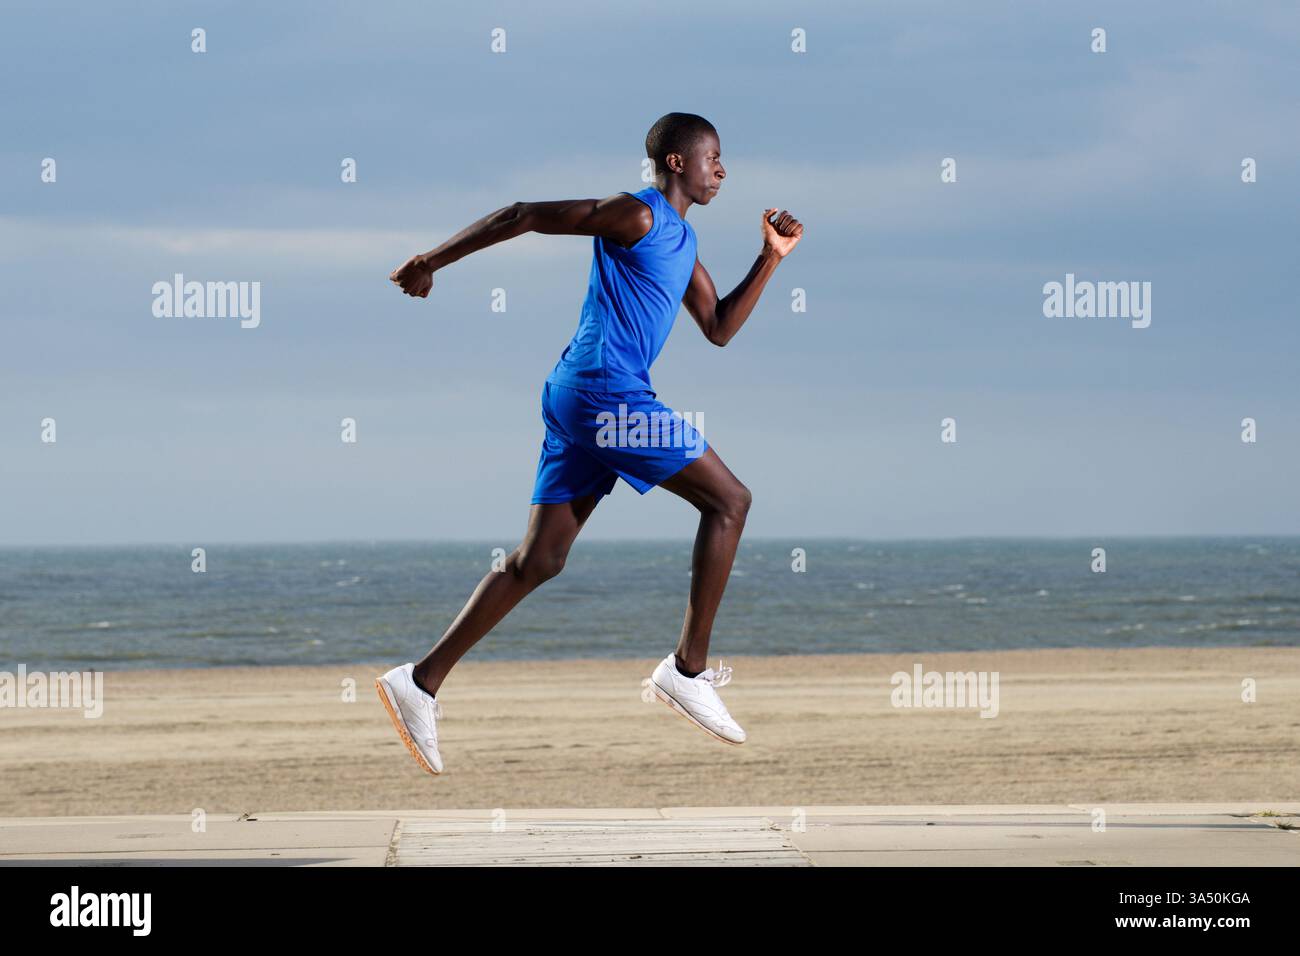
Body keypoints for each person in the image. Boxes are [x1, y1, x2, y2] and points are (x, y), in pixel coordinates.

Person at [376, 112, 803, 774]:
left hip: (581, 397)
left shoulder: (683, 244)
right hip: (607, 394)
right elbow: (522, 214)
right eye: (713, 156)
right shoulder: (636, 215)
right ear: (677, 163)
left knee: (538, 561)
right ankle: (687, 669)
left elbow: (718, 327)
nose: (723, 169)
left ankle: (420, 681)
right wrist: (431, 261)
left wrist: (770, 258)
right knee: (730, 502)